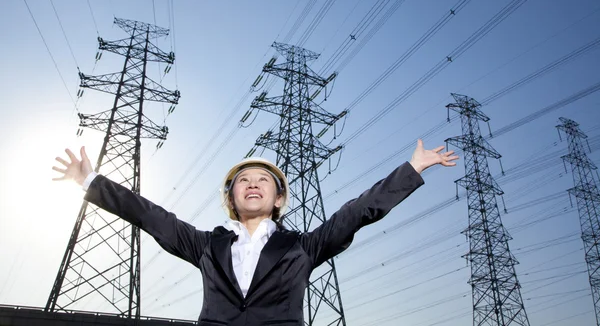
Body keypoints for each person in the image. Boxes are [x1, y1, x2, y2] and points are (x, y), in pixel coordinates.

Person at [52, 139, 458, 326]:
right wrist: (93, 183)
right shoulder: (206, 245)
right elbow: (153, 217)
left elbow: (355, 214)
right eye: (242, 179)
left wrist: (412, 169)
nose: (251, 183)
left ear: (278, 198)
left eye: (263, 179)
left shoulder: (302, 247)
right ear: (231, 197)